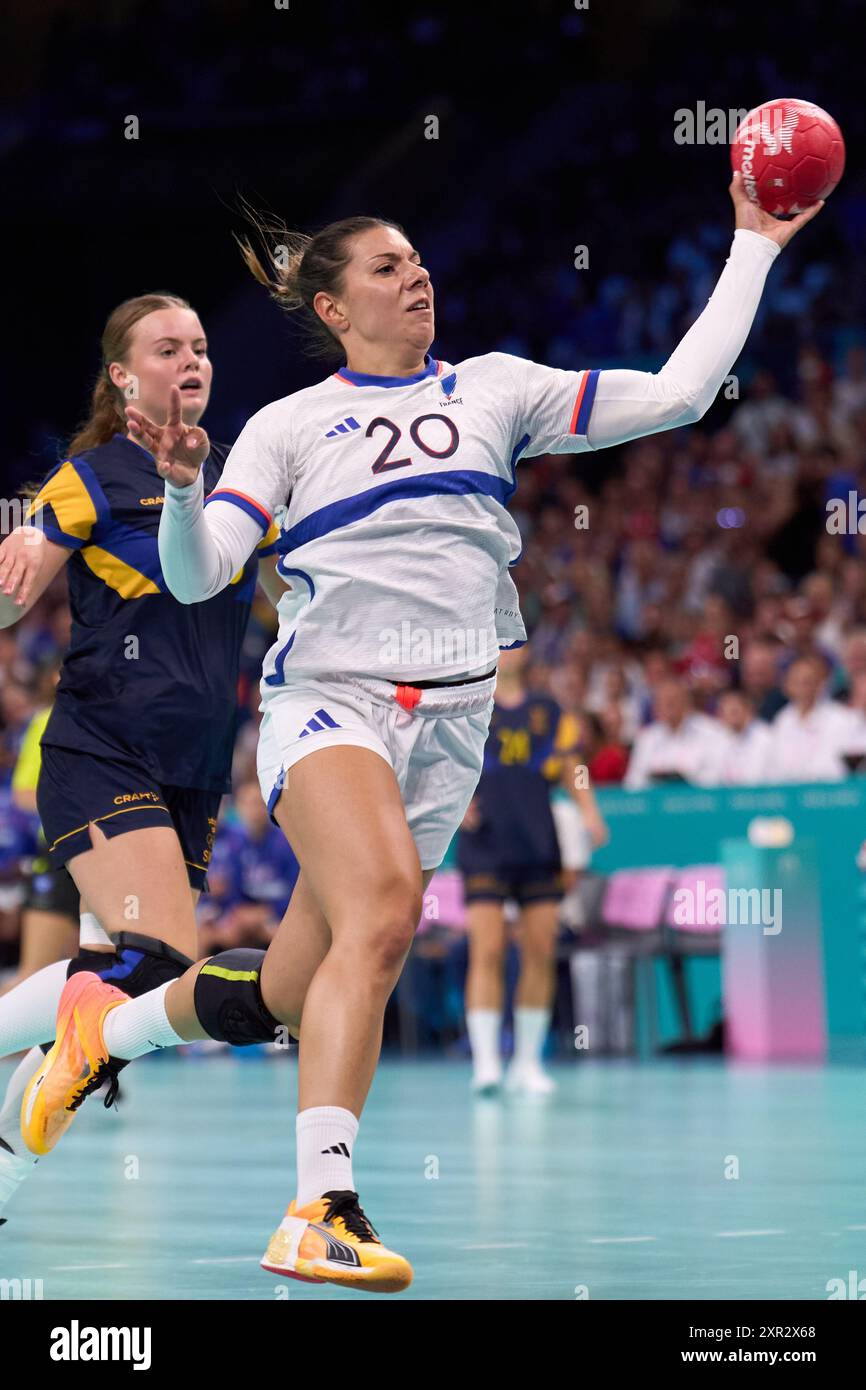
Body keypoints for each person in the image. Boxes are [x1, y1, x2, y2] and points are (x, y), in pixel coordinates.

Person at [30, 174, 822, 1293]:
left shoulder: (499, 388)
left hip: (454, 722)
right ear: (334, 309)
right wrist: (181, 487)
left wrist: (750, 244)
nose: (418, 278)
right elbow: (199, 569)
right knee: (391, 906)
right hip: (330, 703)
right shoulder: (287, 427)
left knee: (286, 994)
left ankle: (100, 1036)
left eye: (419, 261)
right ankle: (320, 1207)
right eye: (388, 268)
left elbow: (683, 393)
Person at [0, 292, 283, 1221]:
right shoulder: (91, 477)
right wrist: (12, 563)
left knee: (104, 990)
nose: (191, 360)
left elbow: (284, 603)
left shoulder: (240, 479)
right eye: (167, 349)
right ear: (123, 375)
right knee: (157, 961)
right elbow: (17, 592)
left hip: (193, 771)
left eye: (201, 346)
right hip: (99, 748)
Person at [456, 645, 607, 1094]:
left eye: (513, 644)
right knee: (487, 951)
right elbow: (438, 760)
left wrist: (590, 811)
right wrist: (454, 803)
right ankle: (486, 1063)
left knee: (540, 951)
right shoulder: (466, 704)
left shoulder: (549, 712)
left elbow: (573, 768)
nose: (505, 651)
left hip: (539, 844)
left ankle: (527, 1063)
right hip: (485, 847)